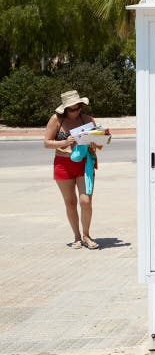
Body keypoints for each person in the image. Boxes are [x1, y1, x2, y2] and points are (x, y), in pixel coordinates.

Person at [44, 90, 101, 250]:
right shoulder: (56, 119)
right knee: (70, 203)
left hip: (84, 164)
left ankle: (86, 235)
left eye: (78, 108)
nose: (75, 112)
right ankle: (77, 237)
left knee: (86, 201)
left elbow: (98, 143)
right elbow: (47, 142)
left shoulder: (88, 119)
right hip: (63, 164)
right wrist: (64, 142)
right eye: (71, 109)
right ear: (64, 109)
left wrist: (96, 141)